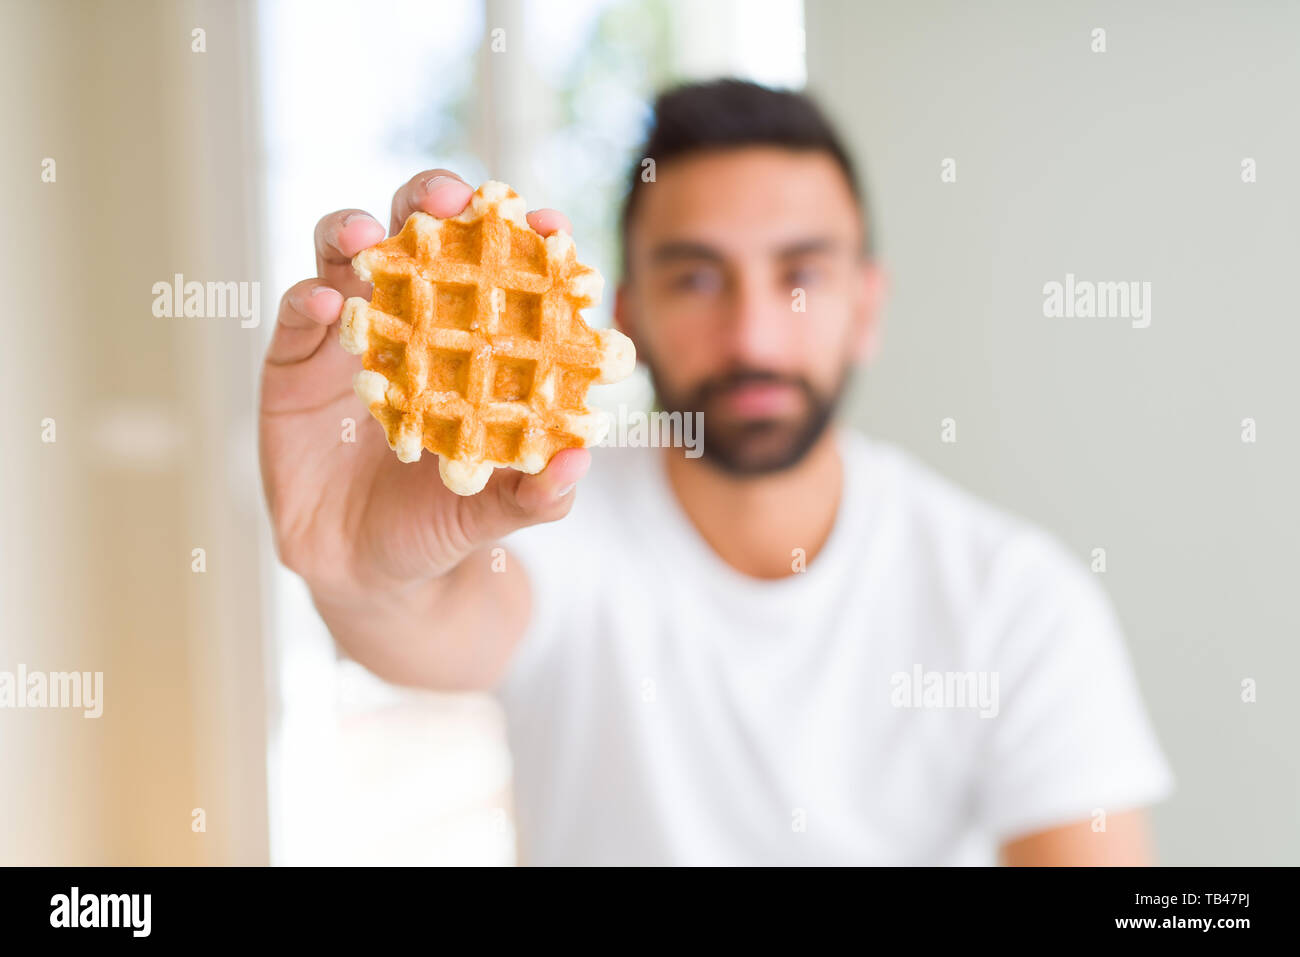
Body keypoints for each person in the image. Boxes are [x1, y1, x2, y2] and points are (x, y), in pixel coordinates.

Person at [259, 79, 1173, 866]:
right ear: (624, 315)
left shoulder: (1014, 597)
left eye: (801, 275)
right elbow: (440, 622)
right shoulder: (553, 516)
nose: (752, 336)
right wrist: (359, 575)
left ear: (866, 306)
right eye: (696, 278)